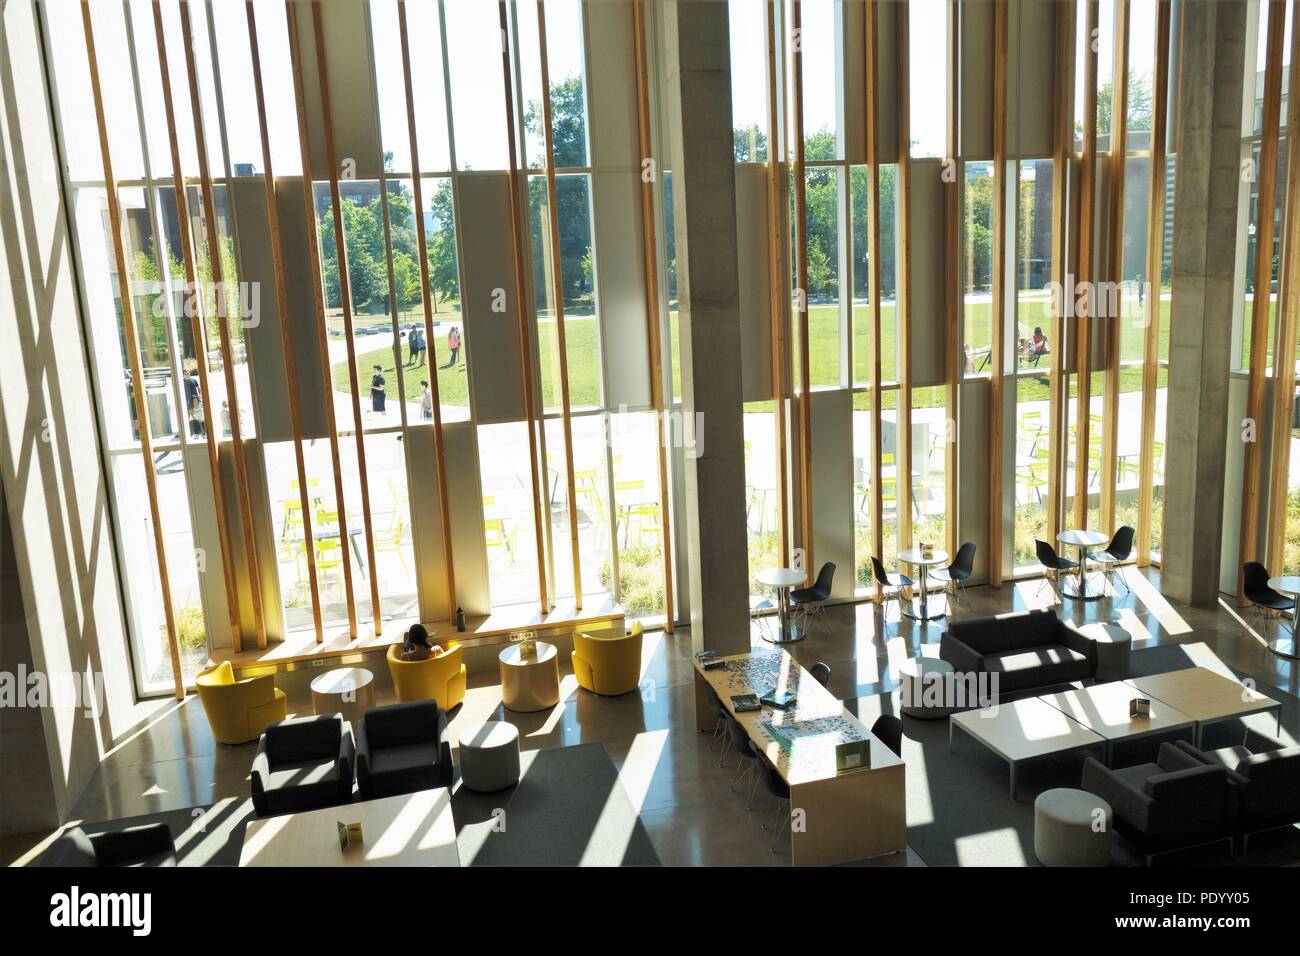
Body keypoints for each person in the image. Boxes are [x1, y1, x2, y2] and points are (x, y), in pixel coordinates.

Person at [183, 368, 204, 437]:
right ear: (183, 375)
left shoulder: (194, 380)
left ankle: (202, 429)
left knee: (199, 413)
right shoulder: (182, 382)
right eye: (185, 374)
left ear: (190, 373)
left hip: (196, 399)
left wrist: (200, 395)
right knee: (189, 414)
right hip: (188, 400)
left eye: (188, 373)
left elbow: (198, 388)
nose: (187, 375)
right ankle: (189, 430)